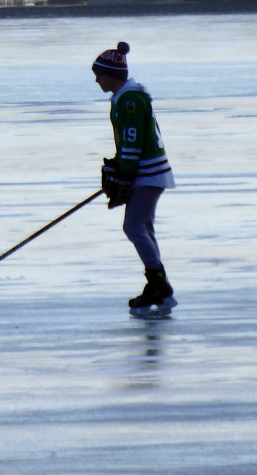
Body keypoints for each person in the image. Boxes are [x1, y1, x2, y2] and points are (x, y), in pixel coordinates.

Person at [92, 41, 177, 316]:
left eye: (99, 74)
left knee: (134, 227)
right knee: (143, 228)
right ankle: (157, 285)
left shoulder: (129, 100)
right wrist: (117, 166)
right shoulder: (126, 96)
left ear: (112, 75)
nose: (96, 79)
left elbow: (133, 140)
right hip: (147, 173)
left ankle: (159, 284)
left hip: (147, 174)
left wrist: (124, 172)